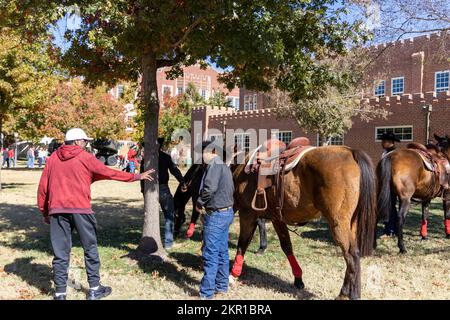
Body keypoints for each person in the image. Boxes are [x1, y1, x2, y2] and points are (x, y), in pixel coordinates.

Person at [37, 128, 154, 300]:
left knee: (60, 253)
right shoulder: (85, 157)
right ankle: (94, 289)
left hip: (57, 210)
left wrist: (45, 212)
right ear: (77, 142)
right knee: (90, 249)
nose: (86, 144)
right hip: (81, 210)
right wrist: (136, 177)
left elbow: (43, 188)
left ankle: (60, 293)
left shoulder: (53, 157)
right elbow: (109, 172)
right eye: (84, 141)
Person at [196, 140, 235, 300]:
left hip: (217, 215)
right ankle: (221, 286)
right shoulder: (223, 166)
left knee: (210, 254)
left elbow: (209, 188)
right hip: (226, 213)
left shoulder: (214, 164)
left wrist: (199, 202)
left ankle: (206, 294)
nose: (201, 156)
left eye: (203, 152)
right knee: (222, 252)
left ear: (211, 151)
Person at [140, 138, 186, 249]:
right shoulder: (164, 157)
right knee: (169, 216)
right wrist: (183, 182)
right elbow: (175, 170)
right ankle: (168, 243)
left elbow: (142, 176)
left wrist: (143, 191)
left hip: (151, 190)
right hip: (162, 189)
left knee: (159, 216)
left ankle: (163, 241)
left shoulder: (146, 159)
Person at [380, 132, 401, 237]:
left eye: (384, 141)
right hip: (386, 184)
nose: (382, 143)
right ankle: (393, 229)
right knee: (390, 207)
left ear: (390, 142)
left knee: (390, 207)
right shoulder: (385, 153)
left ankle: (390, 230)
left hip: (391, 184)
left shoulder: (395, 154)